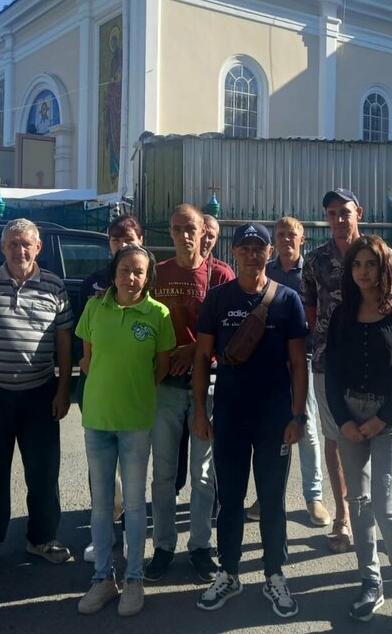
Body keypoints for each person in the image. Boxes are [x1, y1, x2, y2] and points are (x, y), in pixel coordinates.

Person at [192, 222, 309, 618]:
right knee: (230, 500)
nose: (251, 253)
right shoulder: (217, 299)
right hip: (229, 414)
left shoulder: (287, 300)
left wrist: (298, 415)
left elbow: (297, 364)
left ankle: (274, 573)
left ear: (267, 253)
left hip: (275, 417)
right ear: (235, 252)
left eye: (258, 247)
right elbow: (201, 357)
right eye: (244, 247)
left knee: (273, 500)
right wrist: (199, 410)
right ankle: (228, 571)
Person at [302, 188, 392, 556]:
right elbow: (310, 307)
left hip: (379, 365)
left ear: (359, 213)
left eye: (345, 212)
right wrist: (322, 340)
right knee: (336, 437)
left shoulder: (383, 255)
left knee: (390, 439)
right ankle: (343, 516)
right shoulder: (315, 260)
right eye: (332, 213)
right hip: (331, 363)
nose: (339, 219)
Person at [0, 218, 74, 577]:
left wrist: (62, 389)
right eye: (12, 244)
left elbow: (64, 342)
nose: (19, 250)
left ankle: (41, 538)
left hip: (40, 393)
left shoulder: (55, 286)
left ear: (38, 247)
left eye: (26, 243)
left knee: (43, 472)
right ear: (2, 247)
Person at [326, 235, 392, 633]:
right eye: (358, 264)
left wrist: (382, 418)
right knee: (359, 504)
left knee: (385, 505)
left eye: (372, 265)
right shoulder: (342, 314)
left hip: (388, 419)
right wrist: (345, 421)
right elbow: (330, 373)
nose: (364, 271)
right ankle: (371, 581)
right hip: (350, 414)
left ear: (385, 269)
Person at [75, 244, 175, 616]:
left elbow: (161, 367)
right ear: (113, 271)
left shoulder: (158, 314)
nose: (131, 277)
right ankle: (103, 578)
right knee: (101, 507)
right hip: (97, 421)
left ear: (148, 277)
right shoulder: (93, 308)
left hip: (135, 422)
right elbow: (86, 360)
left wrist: (132, 391)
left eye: (139, 272)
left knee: (134, 506)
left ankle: (134, 579)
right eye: (125, 270)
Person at [145, 204, 234, 584]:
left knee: (202, 475)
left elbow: (231, 333)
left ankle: (200, 546)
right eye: (178, 227)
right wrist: (168, 356)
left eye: (191, 228)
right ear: (170, 232)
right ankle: (163, 546)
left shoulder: (220, 275)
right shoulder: (157, 274)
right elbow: (144, 323)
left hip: (207, 387)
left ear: (203, 232)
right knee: (163, 475)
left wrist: (194, 351)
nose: (185, 235)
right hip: (164, 387)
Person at [247, 216, 330, 528]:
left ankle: (314, 496)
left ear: (302, 239)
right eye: (280, 235)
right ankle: (266, 494)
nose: (285, 240)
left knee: (305, 427)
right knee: (269, 431)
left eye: (291, 234)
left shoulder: (310, 272)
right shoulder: (265, 272)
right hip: (268, 360)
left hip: (302, 358)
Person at [78, 214, 144, 563]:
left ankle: (133, 535)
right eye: (116, 240)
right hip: (99, 391)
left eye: (128, 238)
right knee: (105, 474)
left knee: (135, 473)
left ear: (140, 239)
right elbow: (83, 343)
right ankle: (105, 533)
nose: (122, 245)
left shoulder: (149, 282)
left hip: (136, 393)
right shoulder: (94, 284)